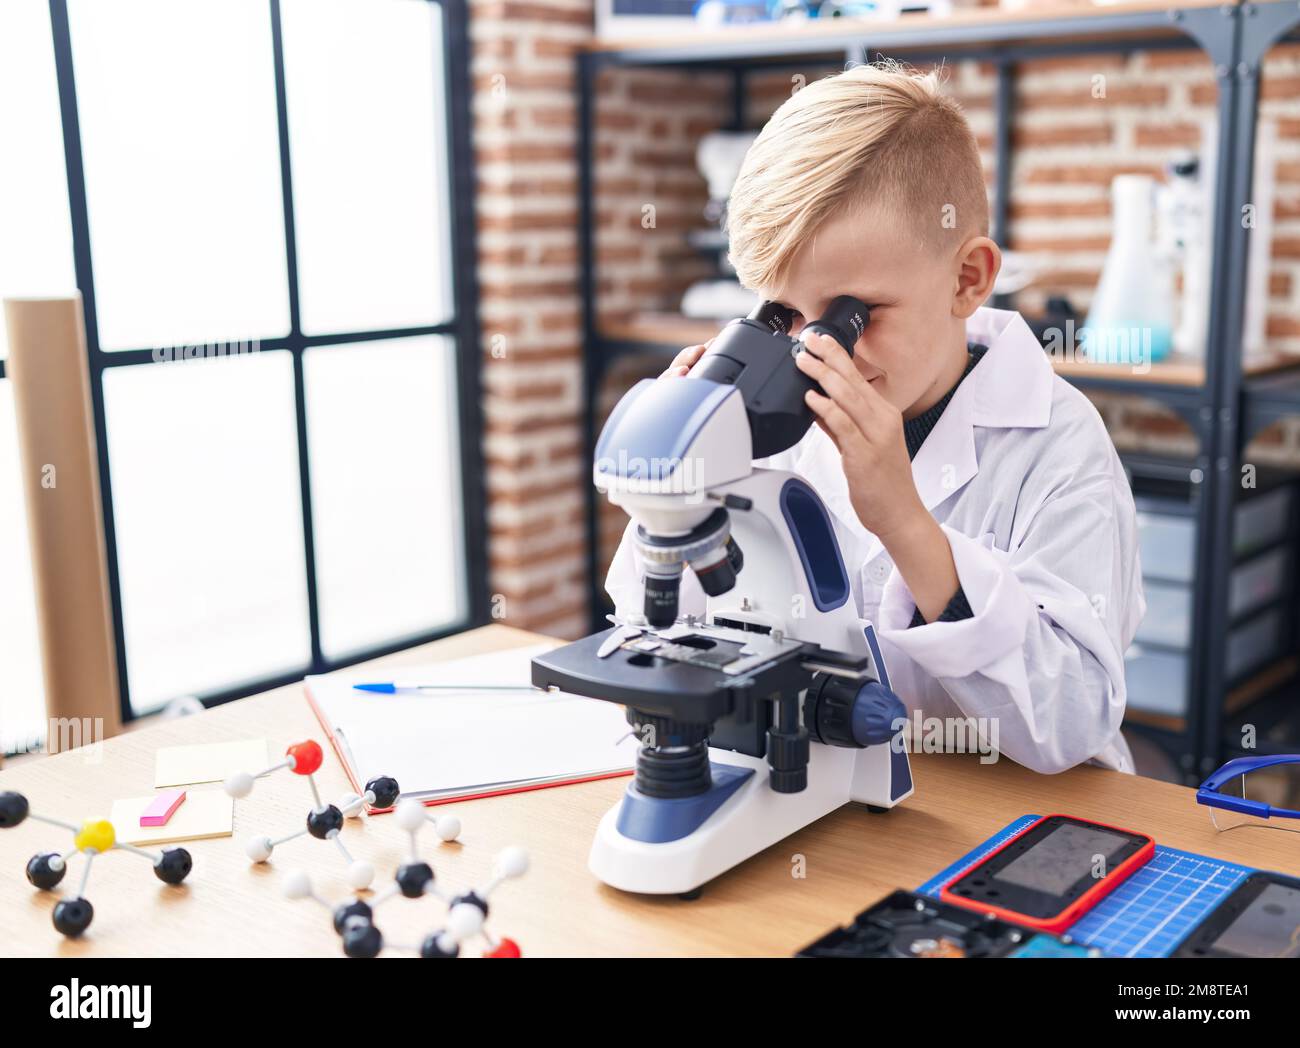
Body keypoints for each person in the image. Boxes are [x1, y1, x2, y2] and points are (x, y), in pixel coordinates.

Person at [606, 64, 1144, 775]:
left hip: (1024, 809)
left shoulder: (1058, 445)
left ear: (967, 279)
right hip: (828, 793)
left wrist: (905, 523)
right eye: (783, 316)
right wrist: (681, 477)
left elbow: (1071, 719)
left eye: (852, 313)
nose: (816, 350)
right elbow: (650, 634)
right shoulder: (775, 420)